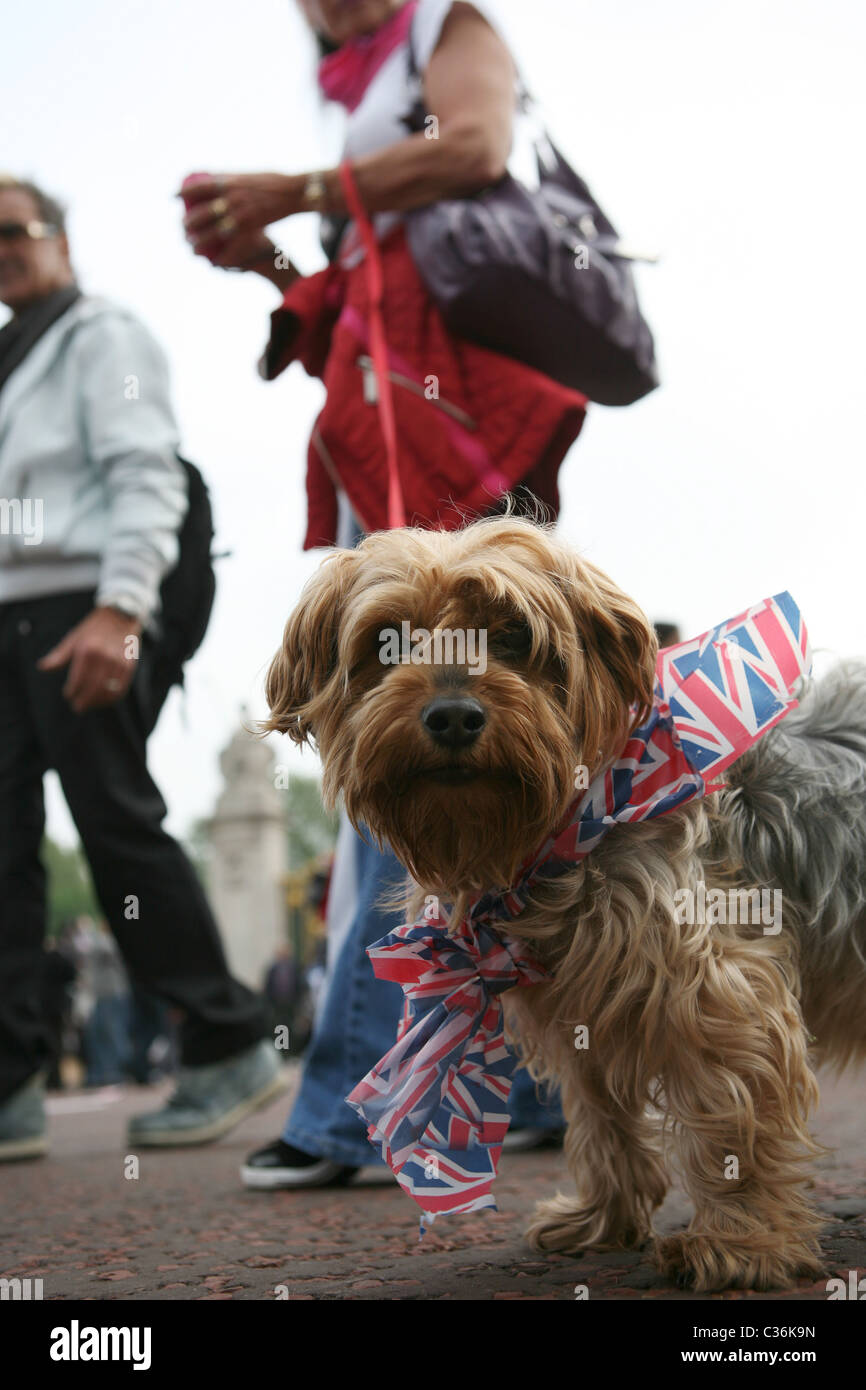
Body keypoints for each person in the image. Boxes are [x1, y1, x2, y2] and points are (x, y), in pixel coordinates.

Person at [181, 0, 573, 1188]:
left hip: (441, 437)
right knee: (462, 778)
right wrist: (287, 261)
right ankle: (529, 1081)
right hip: (383, 435)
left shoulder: (441, 30)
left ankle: (354, 1107)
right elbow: (378, 276)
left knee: (418, 747)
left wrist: (293, 190)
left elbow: (476, 151)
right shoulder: (357, 77)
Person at [0, 175, 283, 1162]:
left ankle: (227, 1040)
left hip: (83, 603)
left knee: (115, 820)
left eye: (14, 231)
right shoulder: (8, 354)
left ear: (60, 240)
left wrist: (121, 609)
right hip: (6, 613)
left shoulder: (101, 337)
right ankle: (9, 1081)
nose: (1, 248)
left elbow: (146, 471)